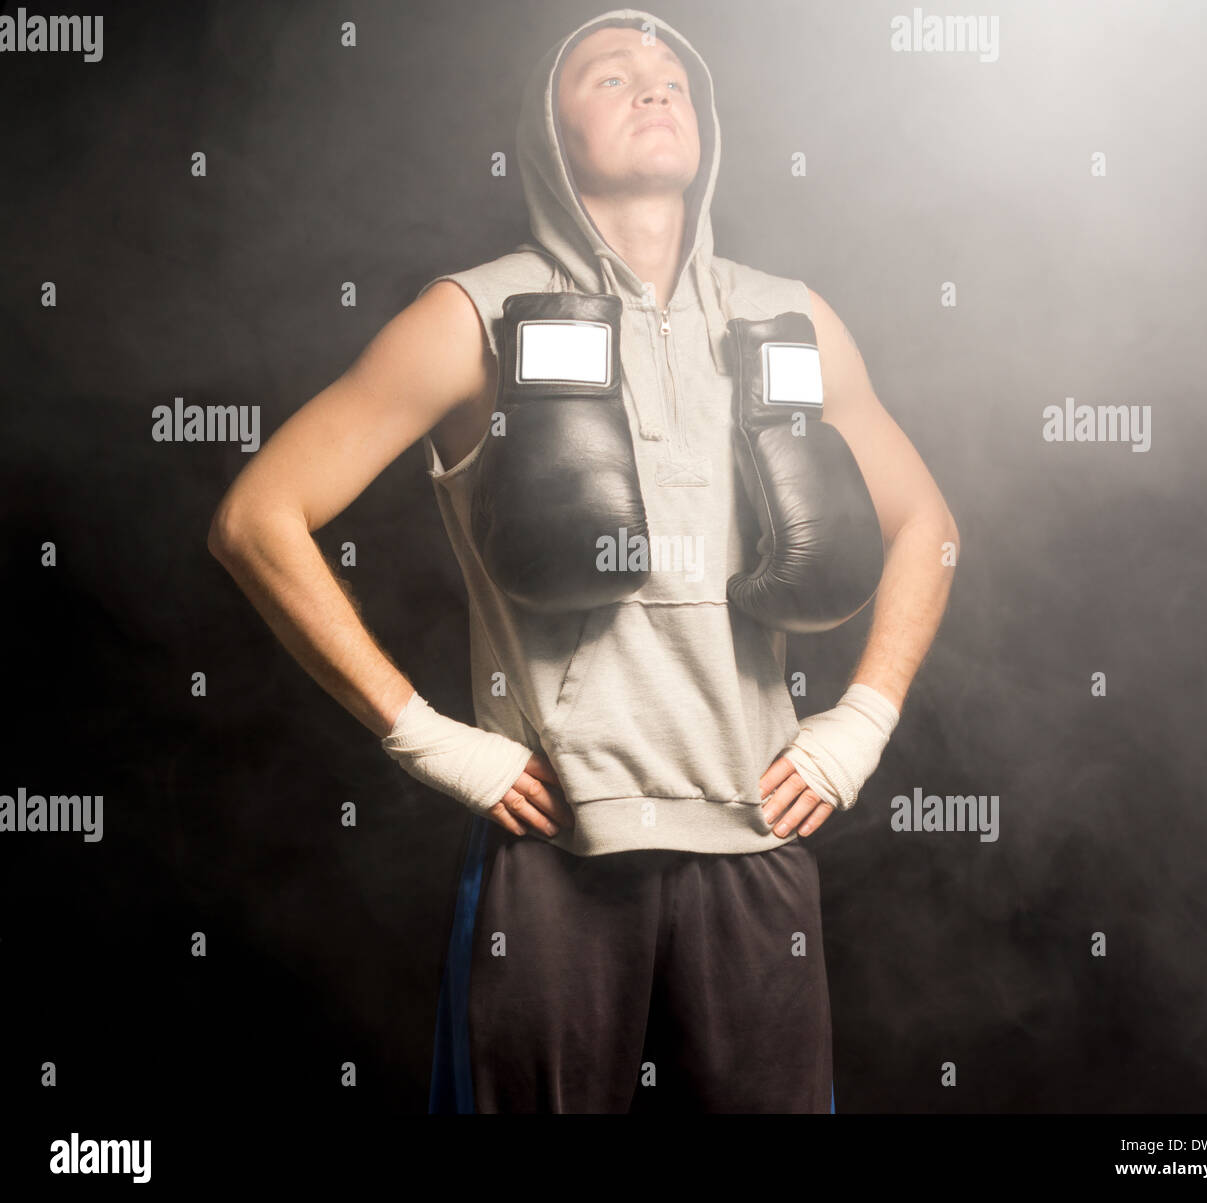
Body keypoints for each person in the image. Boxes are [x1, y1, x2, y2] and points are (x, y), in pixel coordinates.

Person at [208, 7, 959, 1114]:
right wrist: (421, 736)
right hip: (555, 846)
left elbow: (928, 526)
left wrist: (863, 721)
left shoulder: (788, 318)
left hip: (754, 838)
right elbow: (256, 518)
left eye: (672, 78)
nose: (655, 90)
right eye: (610, 76)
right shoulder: (473, 315)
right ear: (549, 137)